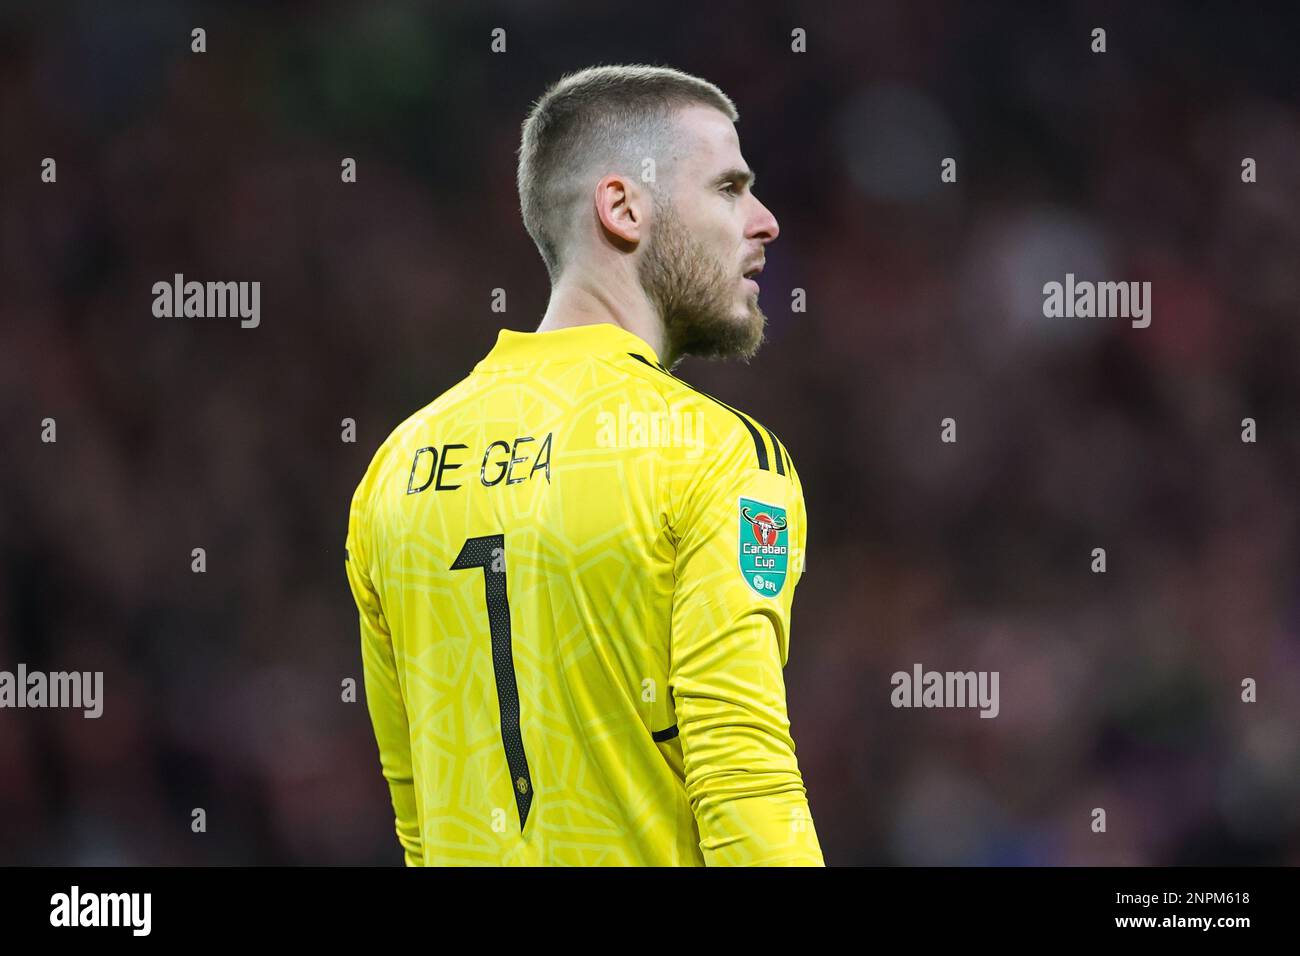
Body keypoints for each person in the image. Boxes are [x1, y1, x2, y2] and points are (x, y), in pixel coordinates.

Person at [345, 64, 823, 865]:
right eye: (730, 188)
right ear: (623, 207)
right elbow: (744, 776)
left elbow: (419, 822)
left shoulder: (395, 470)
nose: (767, 221)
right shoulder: (715, 456)